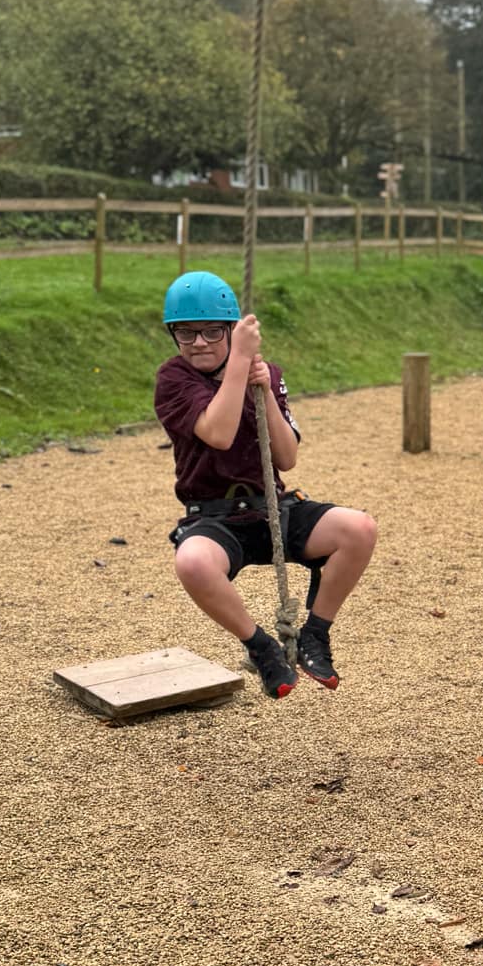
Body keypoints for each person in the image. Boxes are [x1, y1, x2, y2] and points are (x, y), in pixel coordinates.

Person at [153, 270, 377, 698]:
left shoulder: (266, 374)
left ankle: (315, 635)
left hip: (272, 507)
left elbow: (287, 457)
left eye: (211, 331)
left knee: (359, 529)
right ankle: (261, 647)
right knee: (192, 563)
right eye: (185, 332)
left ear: (230, 330)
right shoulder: (174, 379)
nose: (198, 342)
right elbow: (218, 433)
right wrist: (238, 363)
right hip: (215, 517)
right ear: (173, 335)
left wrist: (266, 392)